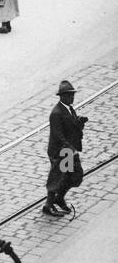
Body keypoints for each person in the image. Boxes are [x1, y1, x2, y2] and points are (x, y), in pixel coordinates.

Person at [44, 80, 86, 216]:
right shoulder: (56, 113)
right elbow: (58, 135)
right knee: (57, 177)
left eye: (72, 95)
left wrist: (79, 121)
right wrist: (70, 149)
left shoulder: (69, 109)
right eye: (68, 95)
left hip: (68, 150)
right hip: (61, 151)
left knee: (74, 176)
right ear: (61, 96)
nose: (71, 97)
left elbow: (69, 125)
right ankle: (48, 206)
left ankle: (59, 198)